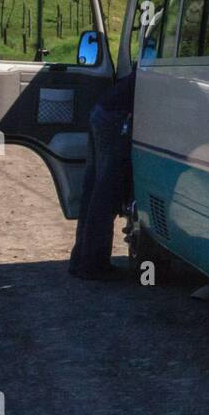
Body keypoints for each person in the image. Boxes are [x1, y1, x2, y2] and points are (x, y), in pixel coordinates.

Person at [69, 69, 136, 280]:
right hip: (115, 119)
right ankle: (93, 265)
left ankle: (80, 259)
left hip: (103, 112)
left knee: (94, 189)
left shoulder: (144, 66)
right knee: (106, 193)